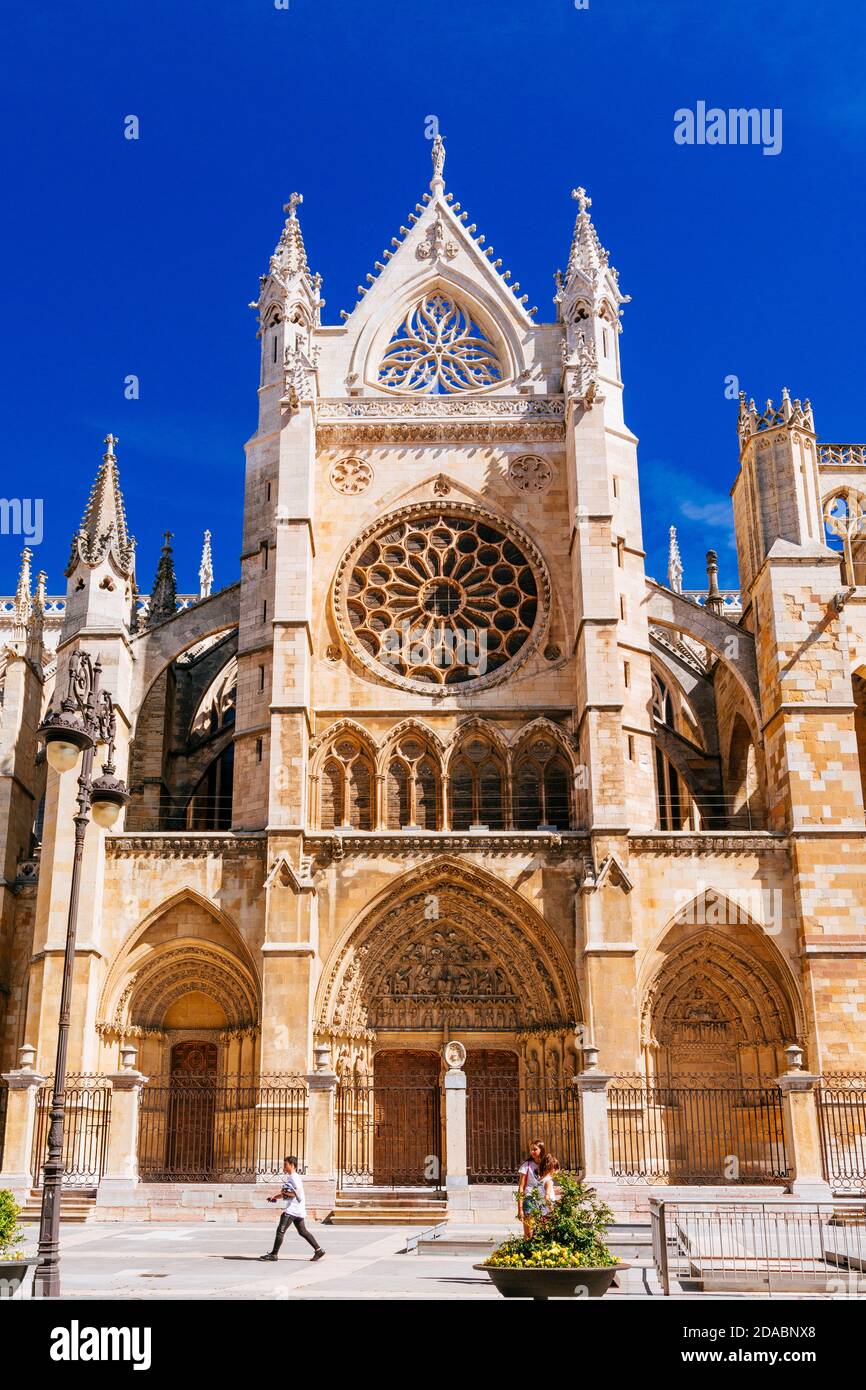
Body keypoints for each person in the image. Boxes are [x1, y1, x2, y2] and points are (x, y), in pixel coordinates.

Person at [260, 1156, 325, 1262]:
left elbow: (296, 1193)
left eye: (286, 1164)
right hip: (298, 1209)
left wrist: (284, 1192)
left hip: (293, 1209)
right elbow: (290, 1194)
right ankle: (319, 1250)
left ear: (292, 1165)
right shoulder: (292, 1177)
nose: (284, 1167)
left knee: (280, 1231)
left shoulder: (294, 1177)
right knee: (302, 1231)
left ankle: (274, 1254)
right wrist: (275, 1197)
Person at [517, 1139, 546, 1237]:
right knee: (528, 1233)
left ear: (541, 1150)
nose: (532, 1152)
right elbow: (521, 1187)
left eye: (535, 1149)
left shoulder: (546, 1165)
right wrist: (520, 1208)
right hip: (529, 1199)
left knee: (543, 1230)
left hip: (542, 1200)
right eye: (531, 1149)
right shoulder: (526, 1165)